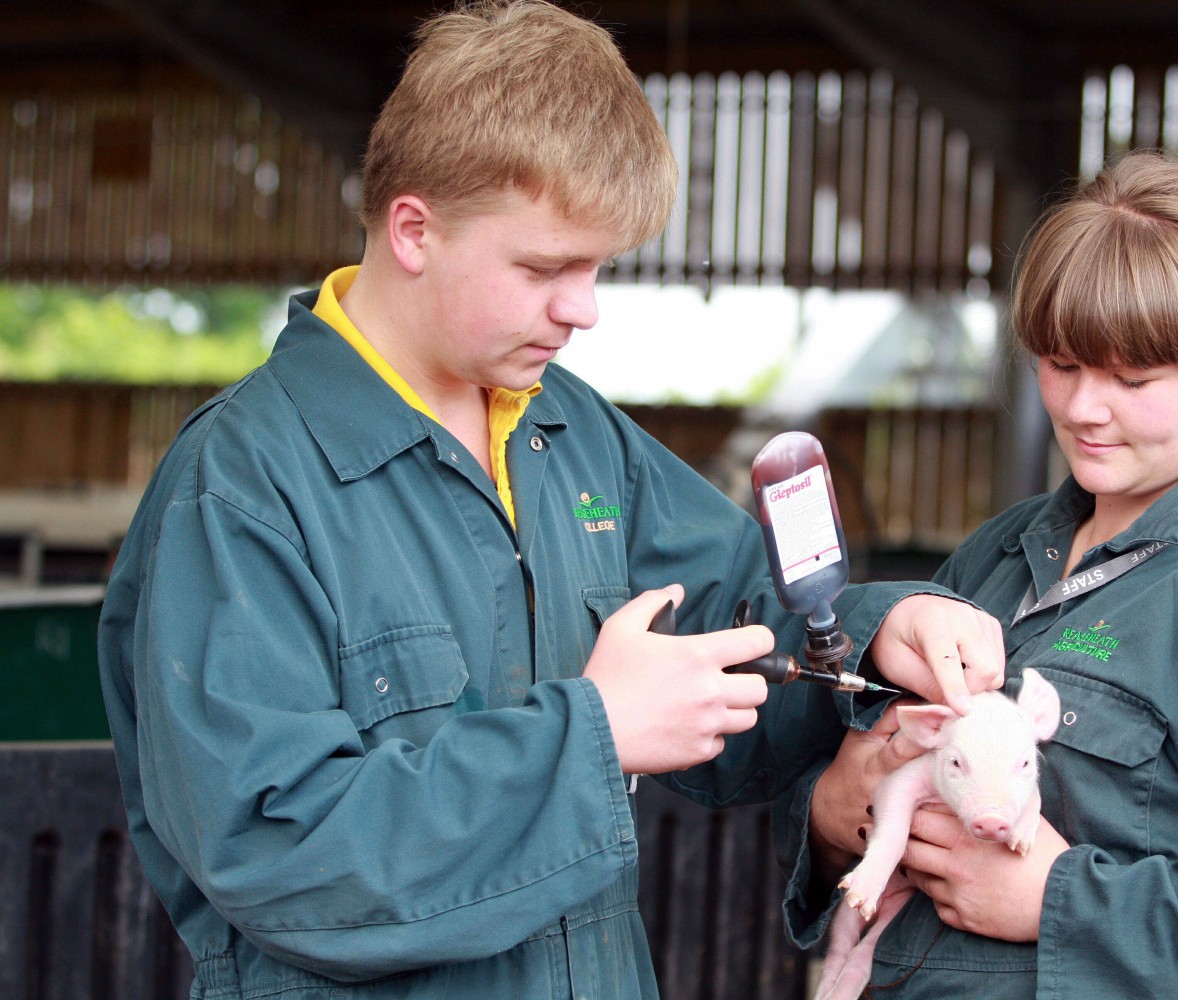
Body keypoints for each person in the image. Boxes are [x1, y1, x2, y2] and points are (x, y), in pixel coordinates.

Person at [95, 3, 1007, 997]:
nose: (584, 307)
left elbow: (740, 623)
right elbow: (278, 851)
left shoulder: (568, 432)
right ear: (414, 230)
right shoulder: (243, 486)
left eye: (596, 266)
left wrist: (876, 632)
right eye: (543, 268)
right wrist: (595, 737)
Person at [776, 150, 1178, 998]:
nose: (1084, 408)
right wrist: (834, 817)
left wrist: (1060, 900)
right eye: (1061, 363)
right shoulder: (1002, 552)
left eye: (1132, 377)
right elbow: (861, 796)